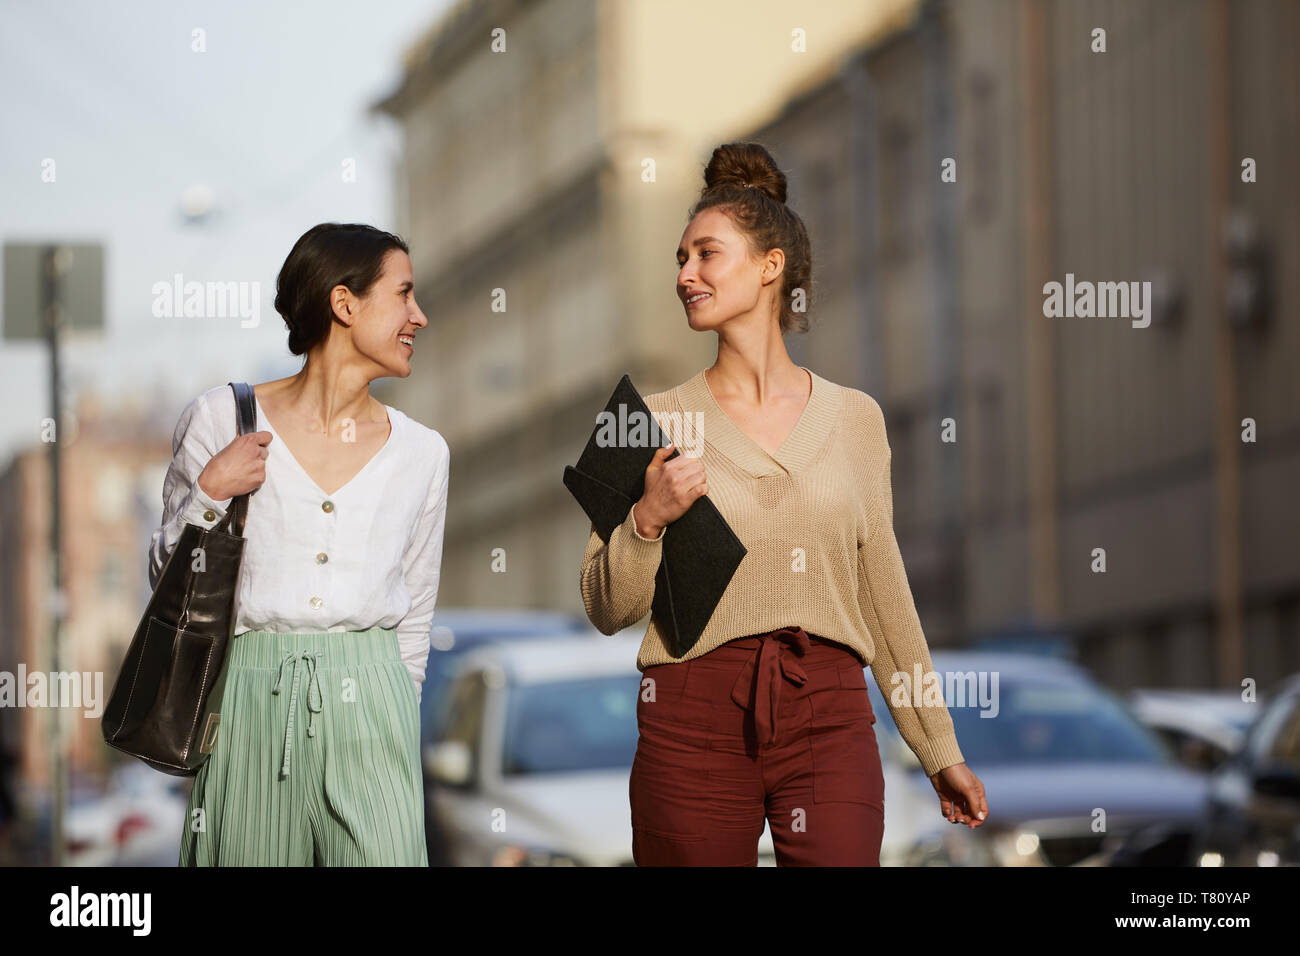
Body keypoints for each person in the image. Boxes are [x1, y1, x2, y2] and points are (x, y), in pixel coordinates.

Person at [579, 143, 988, 866]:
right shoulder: (645, 423)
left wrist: (936, 744)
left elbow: (882, 591)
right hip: (691, 714)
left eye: (706, 254)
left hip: (827, 710)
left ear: (772, 266)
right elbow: (605, 607)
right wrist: (646, 521)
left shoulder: (857, 418)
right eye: (680, 258)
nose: (685, 275)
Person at [149, 222, 449, 866]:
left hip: (375, 704)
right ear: (346, 304)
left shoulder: (423, 453)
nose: (419, 317)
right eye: (404, 295)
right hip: (249, 700)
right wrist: (209, 491)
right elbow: (166, 580)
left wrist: (395, 712)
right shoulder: (222, 420)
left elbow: (416, 611)